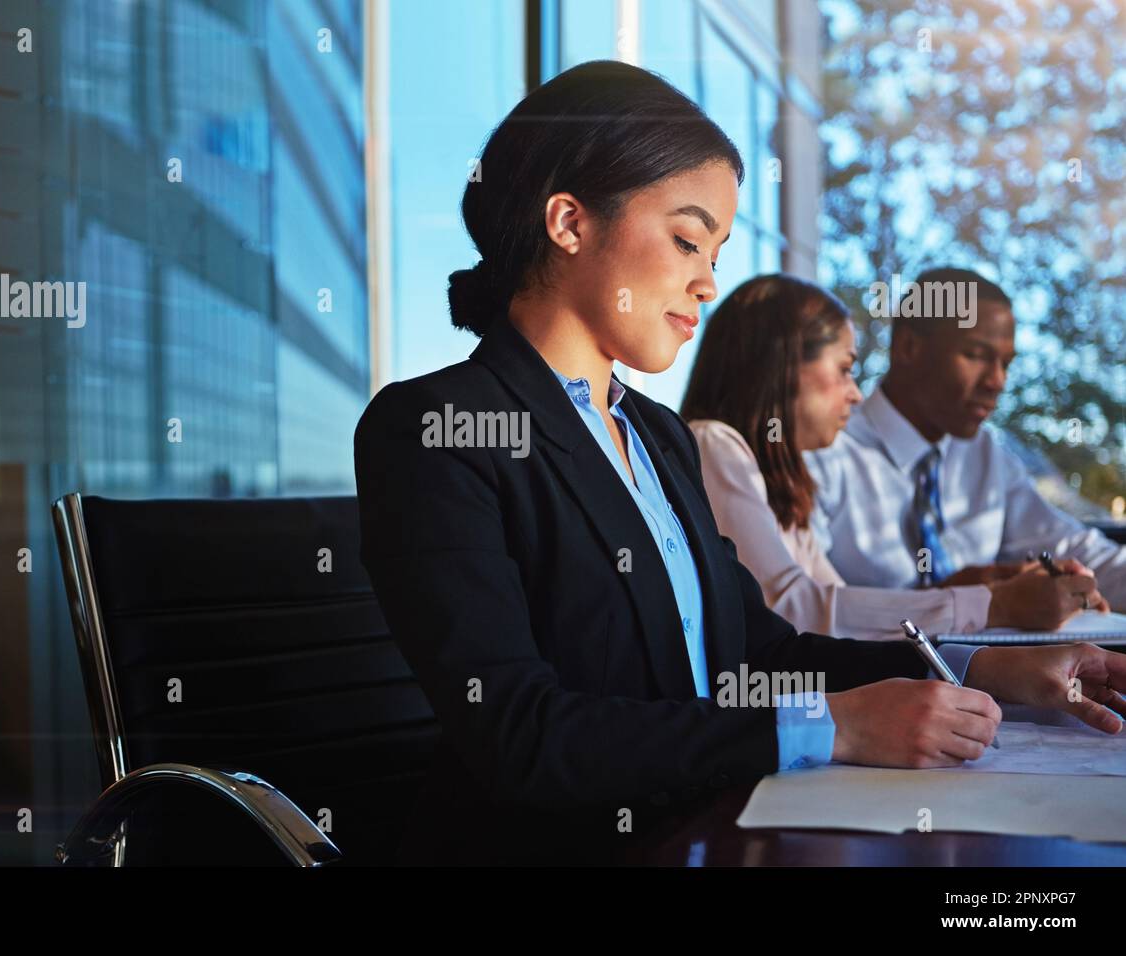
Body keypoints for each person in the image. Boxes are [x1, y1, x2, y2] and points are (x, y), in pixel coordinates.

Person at [353, 62, 1126, 864]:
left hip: (714, 828)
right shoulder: (437, 429)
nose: (709, 282)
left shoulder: (656, 435)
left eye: (717, 251)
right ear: (568, 221)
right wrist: (835, 723)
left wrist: (981, 671)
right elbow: (519, 734)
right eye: (688, 239)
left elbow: (759, 654)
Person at [680, 274, 1102, 639]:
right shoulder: (715, 444)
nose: (855, 392)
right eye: (844, 369)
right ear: (782, 365)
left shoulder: (778, 472)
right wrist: (990, 606)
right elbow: (793, 608)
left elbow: (836, 606)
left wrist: (978, 591)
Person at [806, 267, 1126, 614]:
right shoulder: (824, 450)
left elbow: (1078, 548)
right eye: (976, 355)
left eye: (1006, 363)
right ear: (908, 348)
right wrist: (989, 603)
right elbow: (808, 611)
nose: (997, 381)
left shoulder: (986, 456)